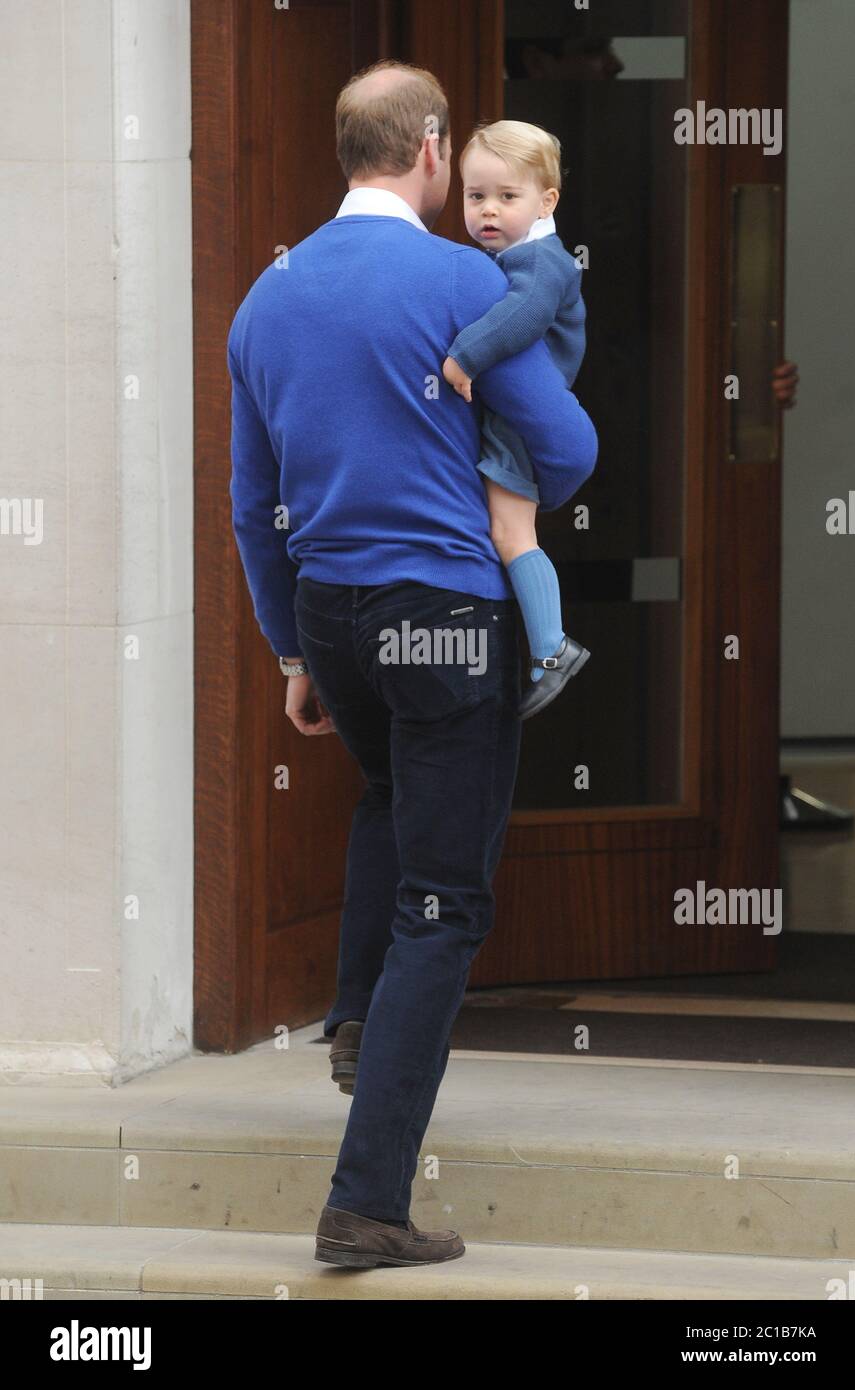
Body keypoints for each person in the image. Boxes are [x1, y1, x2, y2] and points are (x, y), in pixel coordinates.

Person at [227, 59, 597, 1268]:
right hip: (439, 617)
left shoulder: (264, 296)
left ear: (348, 150)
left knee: (387, 796)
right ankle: (366, 1201)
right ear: (432, 149)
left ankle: (349, 1016)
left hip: (330, 613)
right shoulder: (463, 280)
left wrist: (289, 648)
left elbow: (251, 504)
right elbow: (565, 441)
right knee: (446, 907)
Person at [442, 118, 591, 720]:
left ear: (547, 200)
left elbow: (524, 317)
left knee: (511, 533)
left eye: (508, 197)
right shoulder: (519, 255)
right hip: (513, 423)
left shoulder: (542, 263)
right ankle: (544, 645)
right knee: (504, 532)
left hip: (519, 431)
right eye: (476, 197)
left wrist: (463, 356)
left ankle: (553, 650)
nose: (489, 212)